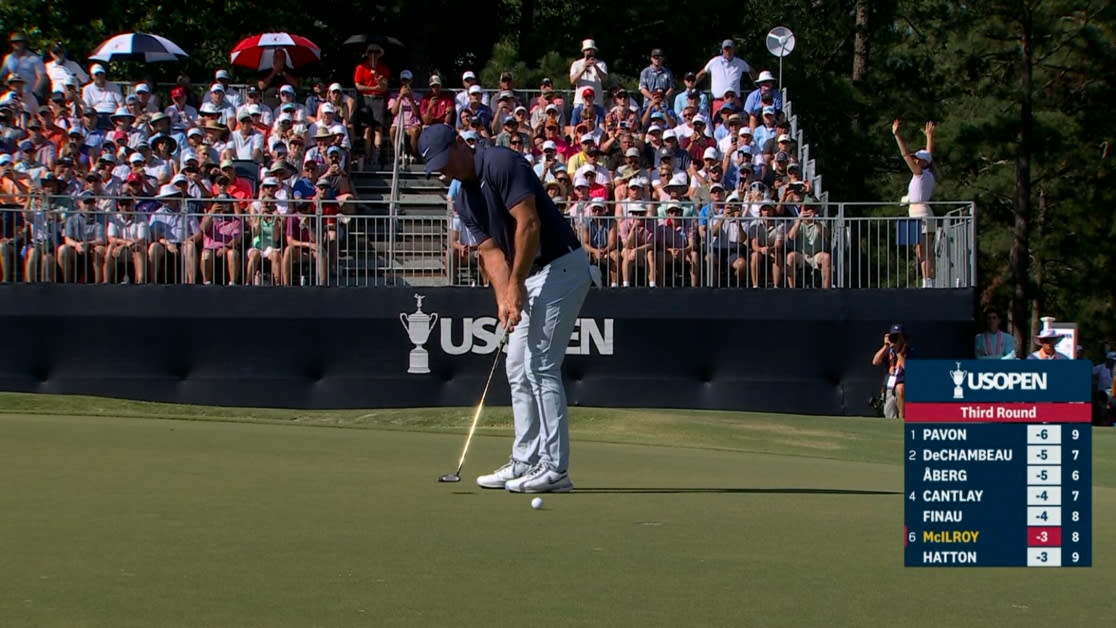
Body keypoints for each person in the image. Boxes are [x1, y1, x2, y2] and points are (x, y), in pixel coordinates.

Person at [418, 123, 593, 493]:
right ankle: (525, 460)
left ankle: (555, 469)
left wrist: (515, 285)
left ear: (460, 144)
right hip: (527, 274)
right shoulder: (463, 197)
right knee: (516, 367)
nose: (444, 170)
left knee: (540, 365)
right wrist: (503, 297)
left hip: (561, 266)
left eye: (445, 160)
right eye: (437, 167)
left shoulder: (501, 162)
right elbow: (490, 251)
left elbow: (528, 224)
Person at [892, 119, 937, 288]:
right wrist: (929, 137)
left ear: (923, 163)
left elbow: (905, 155)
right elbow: (929, 155)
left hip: (920, 213)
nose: (915, 161)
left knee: (924, 251)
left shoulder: (920, 173)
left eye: (918, 159)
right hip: (920, 212)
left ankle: (928, 282)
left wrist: (897, 136)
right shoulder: (928, 172)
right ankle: (928, 280)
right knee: (923, 250)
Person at [872, 324, 915, 419]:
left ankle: (902, 418)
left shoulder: (910, 351)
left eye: (898, 337)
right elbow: (875, 361)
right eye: (893, 336)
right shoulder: (888, 351)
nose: (895, 339)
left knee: (900, 388)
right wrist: (886, 345)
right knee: (889, 416)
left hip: (904, 386)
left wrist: (899, 353)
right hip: (889, 386)